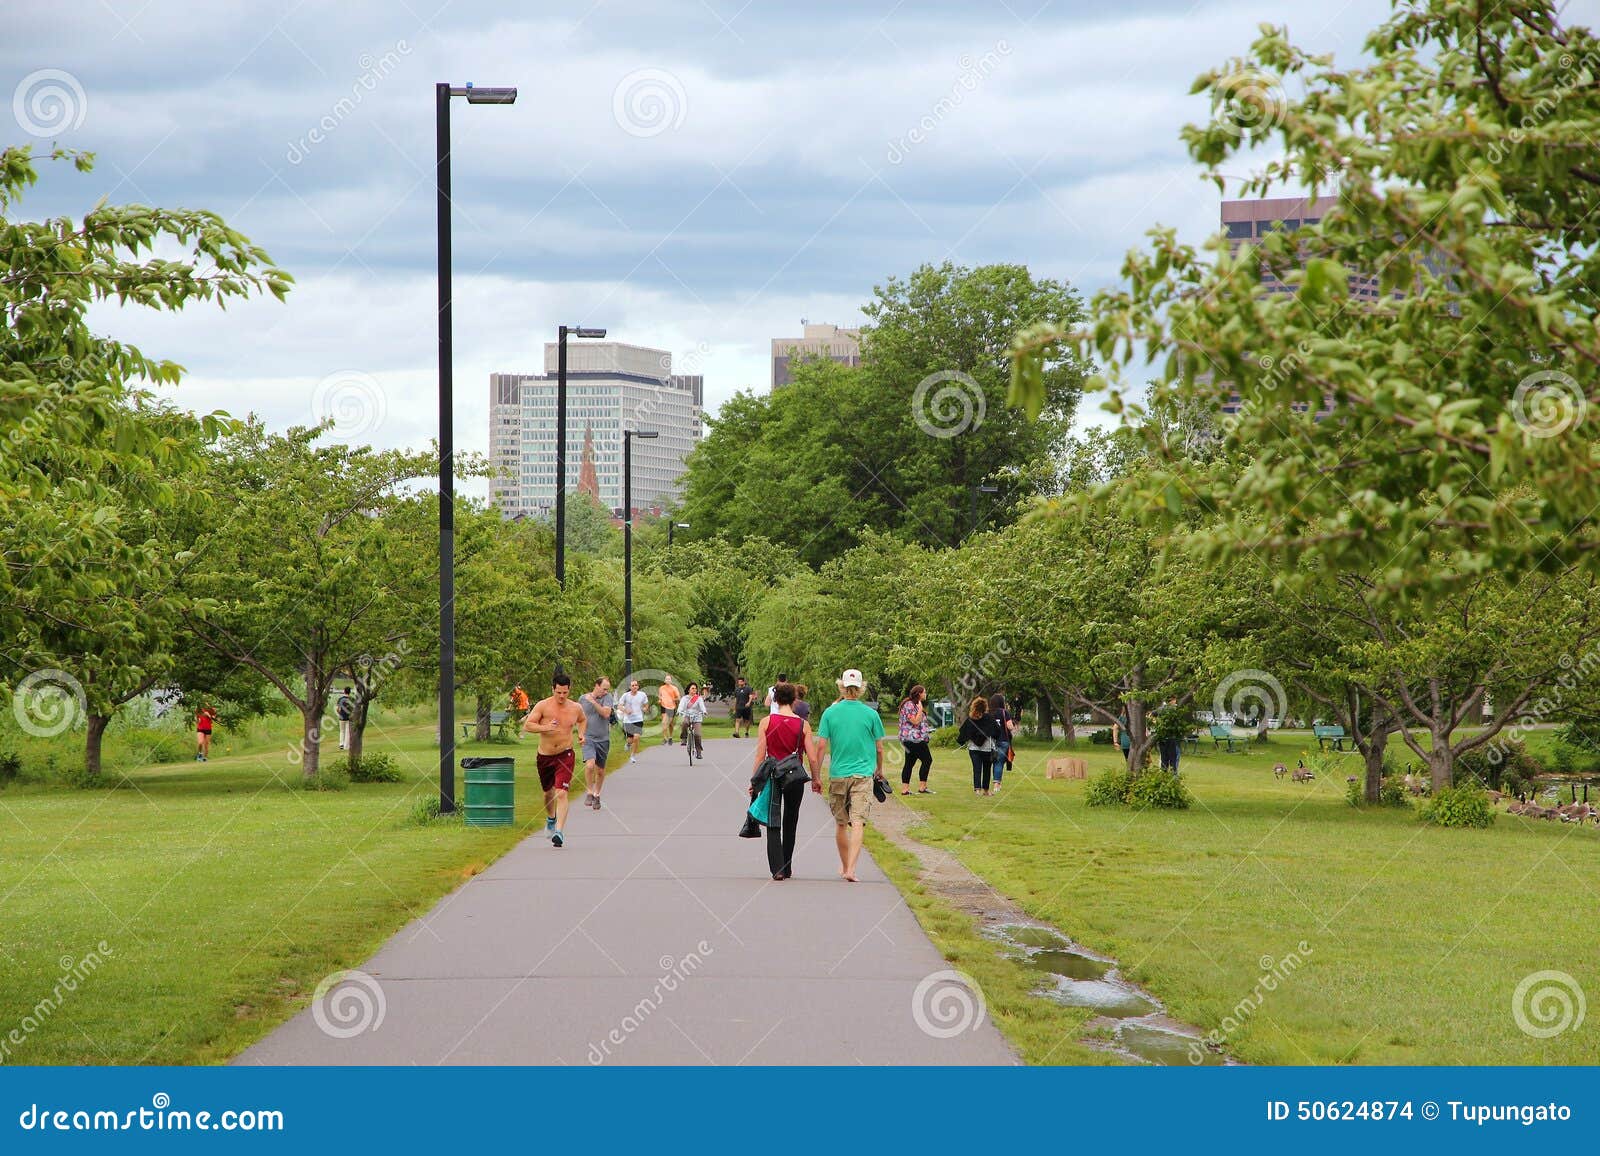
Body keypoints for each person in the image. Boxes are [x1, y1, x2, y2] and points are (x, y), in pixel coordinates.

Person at [815, 669, 886, 882]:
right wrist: (879, 769)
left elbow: (821, 746)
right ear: (861, 687)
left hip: (838, 774)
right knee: (858, 822)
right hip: (863, 775)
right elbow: (880, 748)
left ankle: (844, 865)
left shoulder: (830, 713)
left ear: (842, 686)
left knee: (840, 823)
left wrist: (817, 775)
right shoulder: (871, 714)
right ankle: (852, 869)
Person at [749, 683, 820, 880]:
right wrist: (816, 779)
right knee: (791, 819)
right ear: (795, 700)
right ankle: (788, 866)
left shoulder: (766, 722)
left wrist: (755, 782)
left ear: (775, 699)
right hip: (795, 776)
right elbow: (813, 757)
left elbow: (759, 756)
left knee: (773, 821)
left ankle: (777, 869)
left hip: (773, 775)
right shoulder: (803, 725)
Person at [522, 674, 586, 847]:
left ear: (569, 690)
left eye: (565, 692)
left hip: (565, 754)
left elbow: (582, 720)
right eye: (559, 692)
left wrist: (581, 734)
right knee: (548, 793)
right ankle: (551, 819)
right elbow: (528, 725)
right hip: (545, 756)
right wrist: (546, 727)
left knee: (562, 792)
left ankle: (559, 832)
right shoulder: (543, 705)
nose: (562, 696)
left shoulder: (576, 707)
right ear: (553, 689)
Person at [579, 677, 614, 810]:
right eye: (604, 688)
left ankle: (597, 794)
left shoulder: (607, 698)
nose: (605, 691)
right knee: (589, 765)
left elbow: (606, 713)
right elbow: (578, 717)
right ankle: (589, 792)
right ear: (596, 686)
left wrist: (593, 701)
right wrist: (580, 733)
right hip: (588, 738)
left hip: (603, 739)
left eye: (607, 689)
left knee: (600, 770)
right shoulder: (582, 699)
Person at [958, 696, 1004, 796]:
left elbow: (963, 732)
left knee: (977, 769)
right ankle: (986, 790)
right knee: (987, 769)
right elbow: (997, 731)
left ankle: (977, 790)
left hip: (973, 748)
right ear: (985, 707)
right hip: (987, 748)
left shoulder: (970, 719)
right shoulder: (989, 718)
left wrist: (963, 741)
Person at [898, 684, 934, 795]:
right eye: (924, 692)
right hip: (913, 739)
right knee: (927, 760)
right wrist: (920, 710)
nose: (925, 694)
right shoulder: (910, 705)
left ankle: (905, 789)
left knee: (909, 763)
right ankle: (922, 787)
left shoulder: (916, 704)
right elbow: (914, 721)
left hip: (914, 738)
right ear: (919, 693)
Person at [989, 692, 1015, 794]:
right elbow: (1010, 727)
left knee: (994, 761)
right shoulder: (1004, 712)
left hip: (991, 741)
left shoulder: (989, 712)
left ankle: (996, 782)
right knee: (999, 762)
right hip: (1003, 740)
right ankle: (997, 784)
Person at [619, 678, 649, 763]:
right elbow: (619, 706)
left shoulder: (642, 695)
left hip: (638, 719)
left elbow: (646, 704)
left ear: (638, 686)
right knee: (630, 739)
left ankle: (632, 756)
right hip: (628, 720)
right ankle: (628, 744)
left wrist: (645, 708)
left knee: (636, 737)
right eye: (633, 685)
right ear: (630, 687)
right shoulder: (625, 695)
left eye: (636, 685)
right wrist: (625, 710)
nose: (634, 686)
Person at [679, 682, 707, 760]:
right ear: (688, 690)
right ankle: (684, 738)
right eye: (692, 688)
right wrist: (680, 711)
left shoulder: (699, 698)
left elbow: (702, 706)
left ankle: (698, 751)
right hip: (687, 715)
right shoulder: (684, 698)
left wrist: (704, 711)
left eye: (695, 688)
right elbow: (681, 706)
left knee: (697, 734)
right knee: (684, 723)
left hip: (697, 717)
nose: (694, 690)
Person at [658, 676, 681, 745]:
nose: (667, 680)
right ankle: (665, 738)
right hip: (663, 706)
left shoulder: (674, 688)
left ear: (671, 680)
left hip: (671, 707)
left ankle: (670, 737)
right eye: (666, 679)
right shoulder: (661, 688)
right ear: (664, 680)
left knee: (670, 723)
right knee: (664, 722)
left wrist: (672, 699)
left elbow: (678, 698)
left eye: (669, 679)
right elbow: (660, 696)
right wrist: (660, 700)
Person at [335, 686, 354, 751]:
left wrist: (339, 713)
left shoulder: (340, 699)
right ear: (350, 692)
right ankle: (346, 746)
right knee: (347, 732)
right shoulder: (352, 699)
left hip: (341, 717)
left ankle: (341, 745)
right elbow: (353, 709)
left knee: (342, 731)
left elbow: (337, 709)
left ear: (344, 691)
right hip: (349, 717)